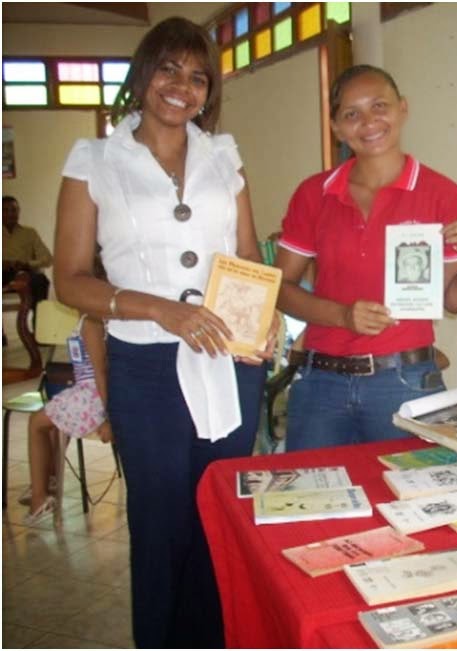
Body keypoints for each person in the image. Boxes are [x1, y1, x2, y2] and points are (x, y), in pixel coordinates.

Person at [53, 17, 274, 648]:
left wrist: (264, 326)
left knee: (219, 520)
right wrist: (159, 309)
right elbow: (69, 279)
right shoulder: (94, 160)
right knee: (159, 526)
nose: (182, 86)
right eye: (169, 69)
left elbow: (248, 255)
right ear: (143, 73)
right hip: (147, 369)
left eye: (198, 76)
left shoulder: (224, 156)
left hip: (230, 364)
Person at [276, 64, 457, 450]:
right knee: (314, 500)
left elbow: (453, 300)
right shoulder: (314, 194)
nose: (369, 122)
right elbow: (279, 288)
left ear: (403, 109)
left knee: (411, 500)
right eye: (352, 114)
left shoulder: (440, 193)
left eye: (380, 106)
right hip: (321, 382)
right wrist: (343, 316)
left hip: (405, 381)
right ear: (336, 127)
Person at [23, 315, 112, 525]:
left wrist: (108, 416)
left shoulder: (92, 322)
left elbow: (101, 373)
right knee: (49, 424)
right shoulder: (91, 319)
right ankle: (47, 480)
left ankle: (39, 496)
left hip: (93, 397)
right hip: (88, 391)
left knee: (36, 423)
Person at [2, 195, 53, 306]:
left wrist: (27, 264)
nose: (10, 214)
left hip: (25, 273)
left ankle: (38, 321)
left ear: (19, 211)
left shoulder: (30, 233)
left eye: (14, 210)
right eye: (5, 210)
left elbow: (48, 259)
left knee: (41, 280)